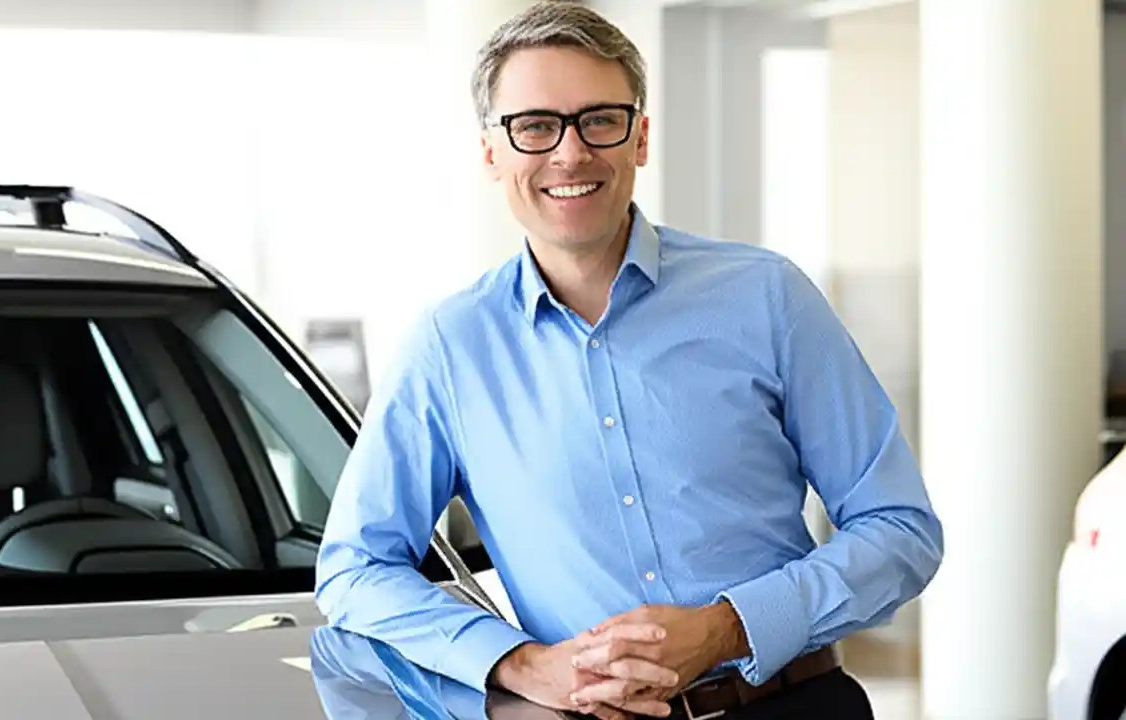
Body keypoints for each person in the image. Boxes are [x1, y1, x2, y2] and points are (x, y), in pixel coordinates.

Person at [315, 2, 944, 718]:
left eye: (599, 120)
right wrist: (519, 664)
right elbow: (355, 569)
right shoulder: (449, 348)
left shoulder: (767, 296)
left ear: (640, 138)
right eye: (535, 126)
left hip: (793, 704)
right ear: (492, 152)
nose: (570, 153)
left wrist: (725, 628)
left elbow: (901, 529)